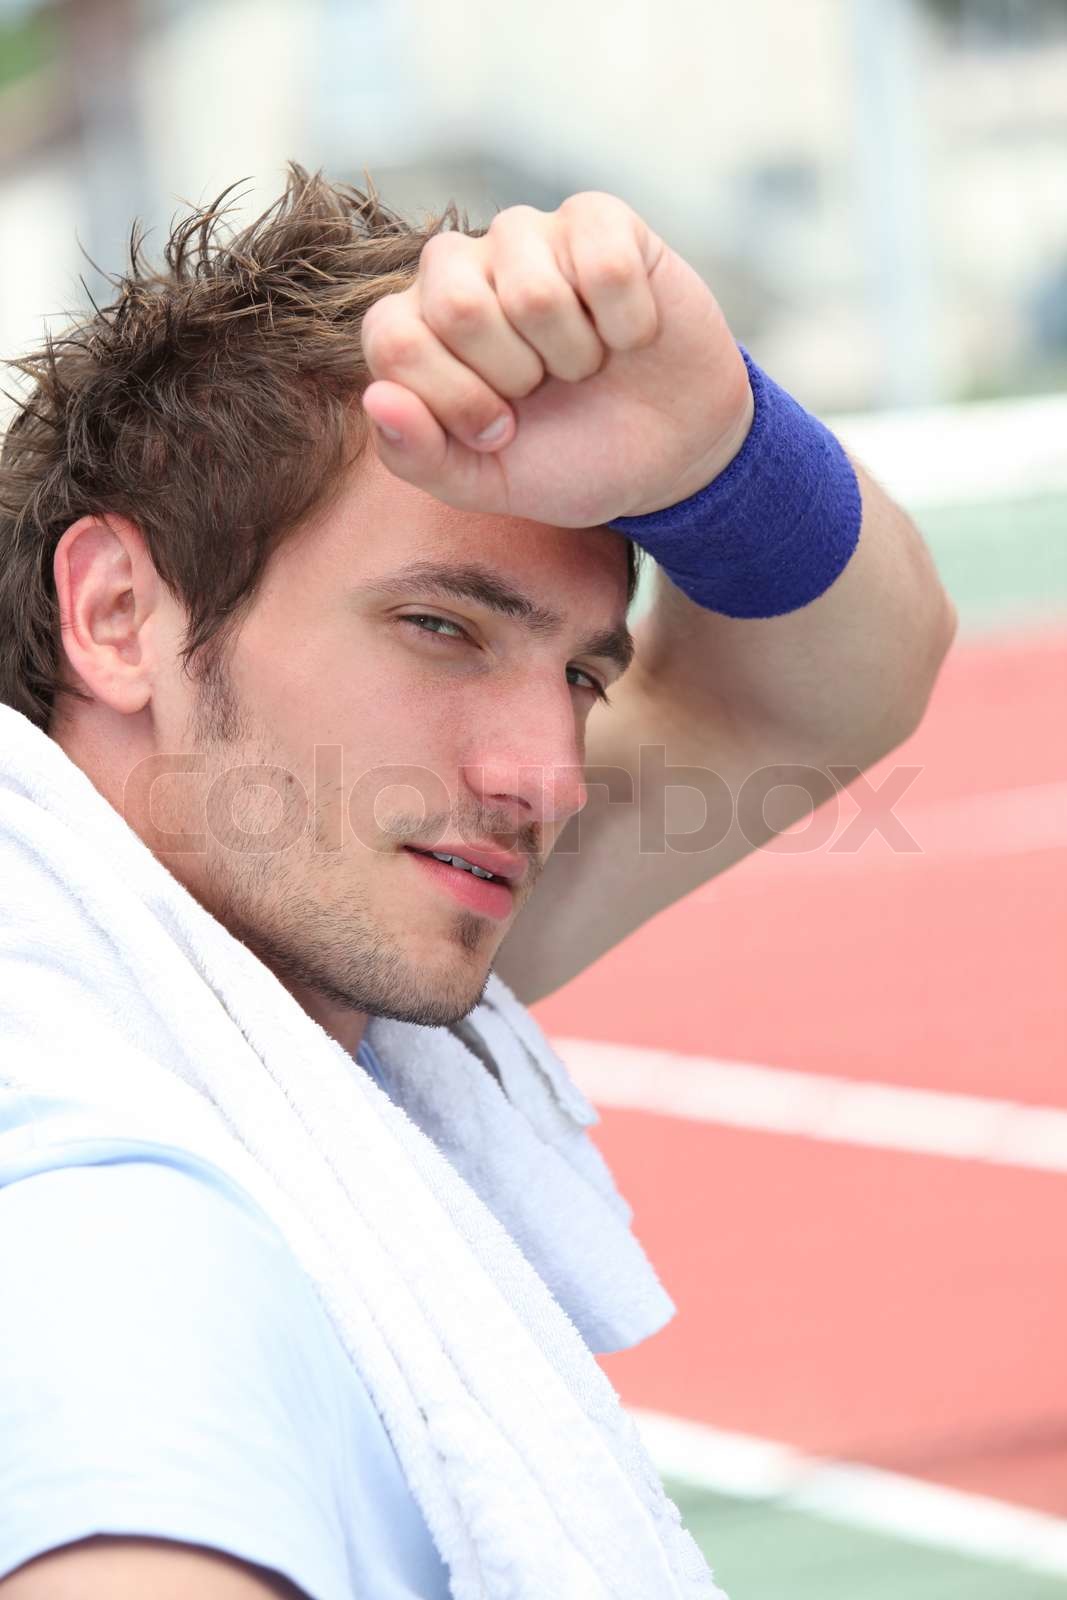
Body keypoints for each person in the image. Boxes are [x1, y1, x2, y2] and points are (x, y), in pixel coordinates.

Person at [0, 164, 956, 1600]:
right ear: (120, 615)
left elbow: (827, 692)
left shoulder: (243, 957)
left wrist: (719, 449)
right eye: (440, 627)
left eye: (580, 676)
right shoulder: (108, 1211)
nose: (549, 778)